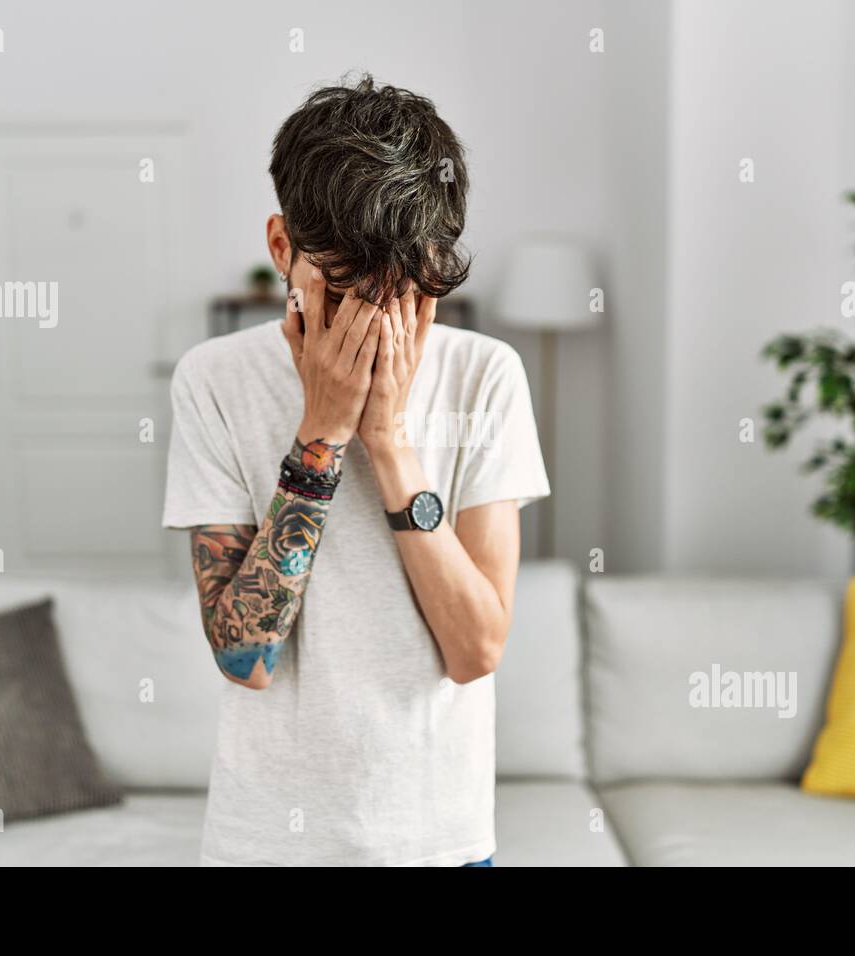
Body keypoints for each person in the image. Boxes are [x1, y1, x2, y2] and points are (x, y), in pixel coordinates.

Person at [162, 73, 549, 866]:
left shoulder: (486, 376)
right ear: (282, 248)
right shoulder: (214, 379)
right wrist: (322, 433)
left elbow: (475, 651)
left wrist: (390, 441)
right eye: (343, 293)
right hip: (266, 842)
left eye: (402, 294)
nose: (374, 328)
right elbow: (244, 656)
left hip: (438, 837)